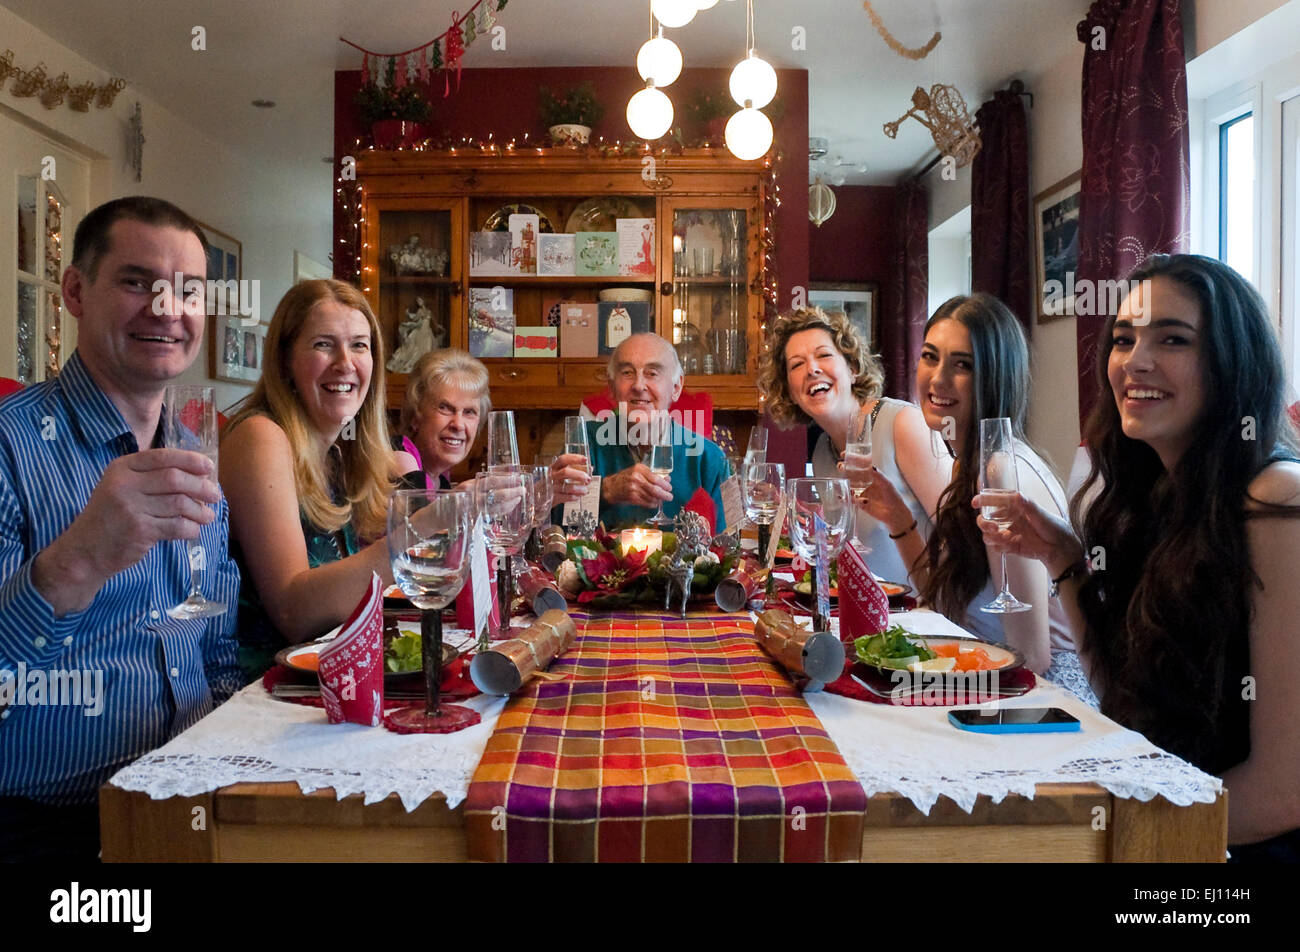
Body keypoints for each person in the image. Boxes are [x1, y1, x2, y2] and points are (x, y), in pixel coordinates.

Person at [976, 255, 1300, 860]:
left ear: (1234, 362)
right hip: (1176, 817)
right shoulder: (1152, 502)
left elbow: (1286, 791)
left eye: (1172, 339)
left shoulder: (1275, 499)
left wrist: (1112, 835)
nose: (1135, 361)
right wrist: (1062, 557)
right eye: (1123, 339)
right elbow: (1123, 700)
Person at [0, 196, 240, 861]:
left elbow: (216, 644)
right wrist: (77, 562)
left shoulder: (199, 453)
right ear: (76, 291)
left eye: (187, 290)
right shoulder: (9, 447)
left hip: (189, 800)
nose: (166, 310)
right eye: (137, 282)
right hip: (42, 827)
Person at [861, 294, 1089, 696]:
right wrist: (900, 521)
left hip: (1045, 696)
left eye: (962, 365)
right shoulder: (968, 463)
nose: (938, 379)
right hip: (999, 677)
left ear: (995, 375)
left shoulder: (1002, 470)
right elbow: (948, 603)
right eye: (930, 357)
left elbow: (1031, 655)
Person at [219, 279, 418, 682]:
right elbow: (295, 612)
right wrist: (419, 533)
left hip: (320, 679)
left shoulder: (336, 452)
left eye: (360, 345)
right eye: (324, 344)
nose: (345, 362)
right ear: (285, 360)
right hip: (257, 692)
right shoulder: (260, 435)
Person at [755, 306, 952, 584]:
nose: (811, 369)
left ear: (853, 369)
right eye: (797, 364)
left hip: (928, 610)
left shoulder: (902, 424)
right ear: (789, 391)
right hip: (874, 615)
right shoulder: (823, 452)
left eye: (823, 355)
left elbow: (960, 535)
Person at [552, 332, 729, 531]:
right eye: (627, 373)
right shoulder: (584, 442)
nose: (638, 385)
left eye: (652, 373)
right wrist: (606, 490)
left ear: (676, 387)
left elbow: (726, 547)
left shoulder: (710, 459)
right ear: (612, 387)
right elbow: (560, 528)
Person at [396, 348, 490, 489]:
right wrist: (458, 500)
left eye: (469, 412)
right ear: (416, 416)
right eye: (445, 408)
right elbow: (417, 511)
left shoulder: (441, 481)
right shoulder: (400, 459)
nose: (458, 424)